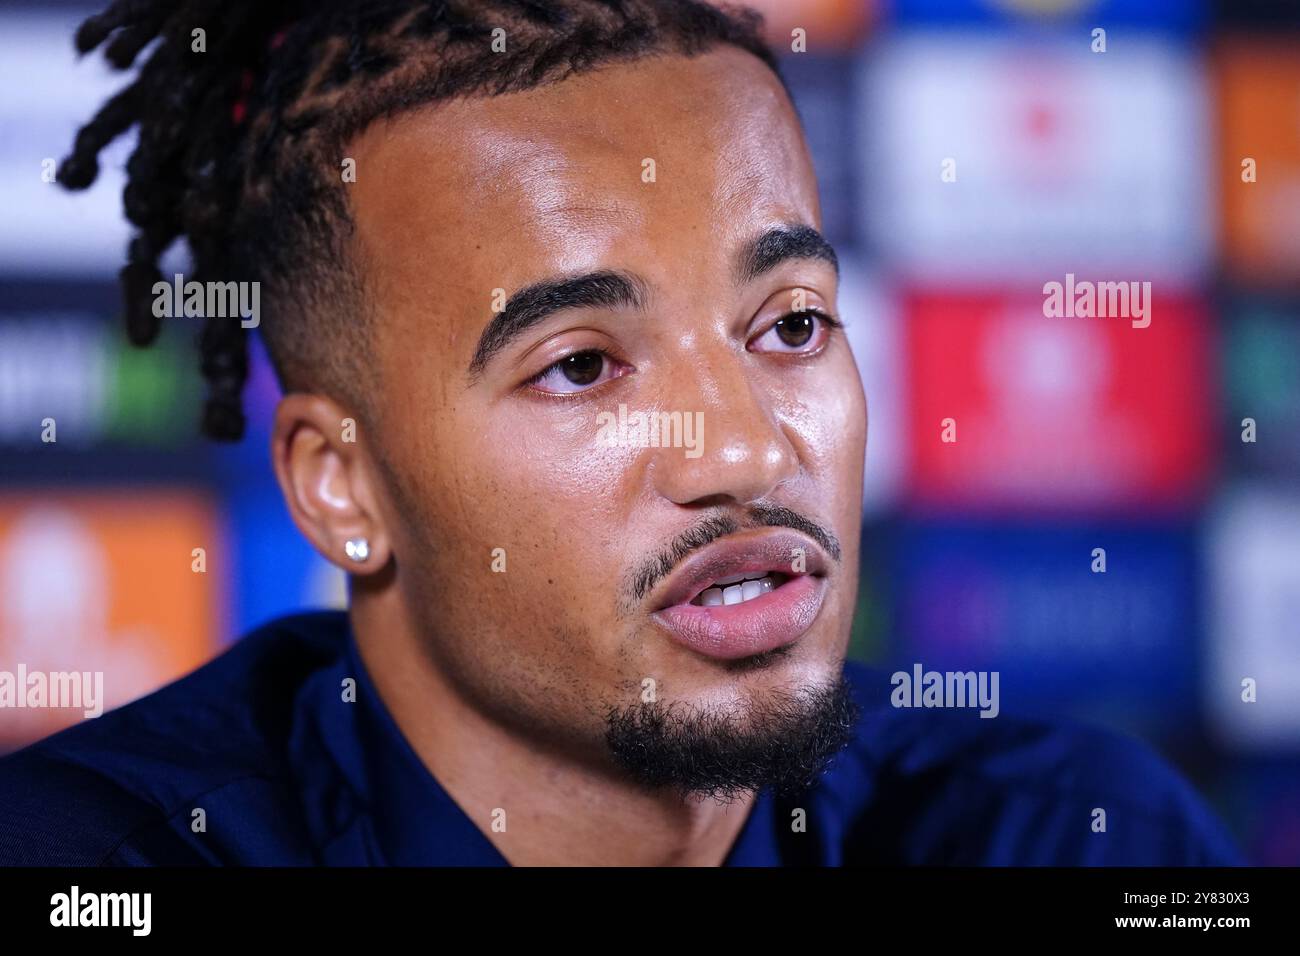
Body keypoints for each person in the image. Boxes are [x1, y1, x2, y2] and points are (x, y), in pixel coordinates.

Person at [0, 0, 1240, 866]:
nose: (747, 452)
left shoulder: (1078, 838)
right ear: (343, 488)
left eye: (790, 327)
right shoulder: (92, 869)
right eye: (581, 364)